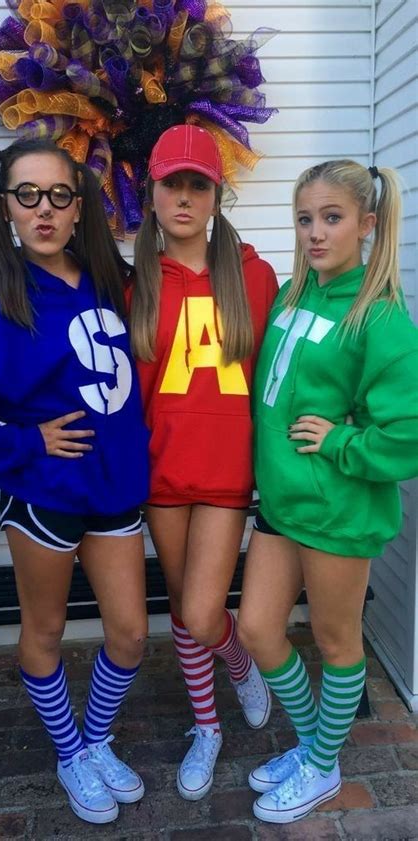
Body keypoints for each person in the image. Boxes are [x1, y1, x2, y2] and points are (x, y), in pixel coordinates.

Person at [0, 138, 151, 825]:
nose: (44, 209)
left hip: (114, 492)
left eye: (59, 195)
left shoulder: (107, 277)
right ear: (5, 206)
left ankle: (92, 739)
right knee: (47, 630)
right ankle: (70, 753)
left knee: (127, 633)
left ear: (78, 205)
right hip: (44, 498)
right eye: (27, 194)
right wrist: (23, 441)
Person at [237, 159, 418, 823]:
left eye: (332, 218)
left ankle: (319, 764)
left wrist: (342, 442)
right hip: (284, 505)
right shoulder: (294, 292)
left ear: (367, 225)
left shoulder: (381, 318)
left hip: (339, 510)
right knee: (257, 628)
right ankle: (319, 746)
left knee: (336, 641)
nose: (316, 232)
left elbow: (409, 434)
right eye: (306, 218)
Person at [130, 124, 279, 800]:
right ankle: (207, 725)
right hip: (162, 473)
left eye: (199, 184)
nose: (185, 197)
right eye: (173, 184)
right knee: (182, 608)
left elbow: (286, 375)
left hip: (224, 475)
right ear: (151, 193)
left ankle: (242, 663)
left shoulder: (254, 274)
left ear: (217, 195)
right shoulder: (132, 284)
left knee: (199, 609)